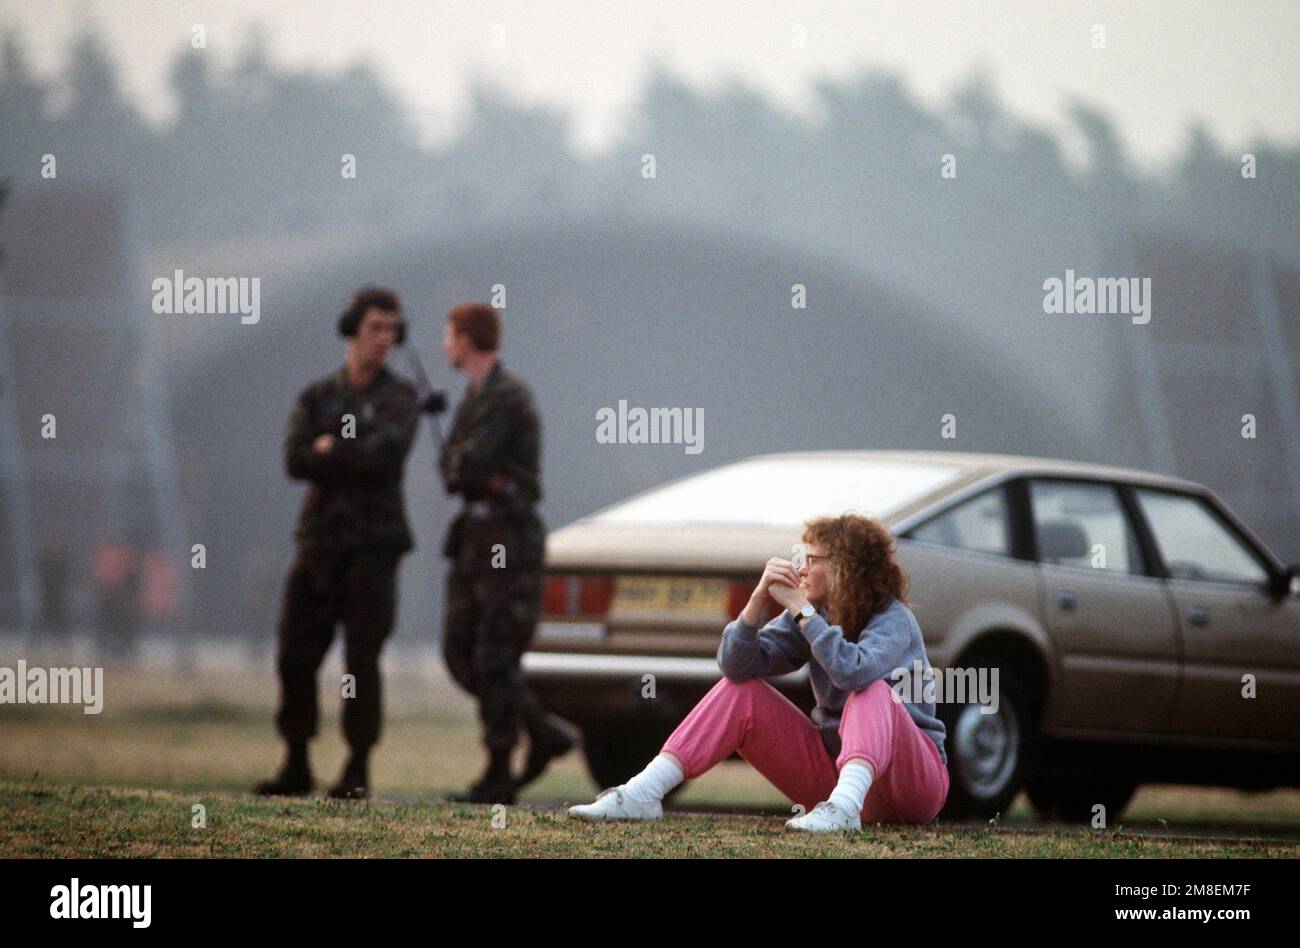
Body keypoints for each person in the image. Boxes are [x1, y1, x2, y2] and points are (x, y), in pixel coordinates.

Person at [568, 513, 950, 831]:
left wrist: (803, 612)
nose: (801, 568)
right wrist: (756, 601)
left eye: (813, 560)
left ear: (846, 570)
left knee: (871, 690)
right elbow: (735, 667)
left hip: (912, 787)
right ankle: (643, 794)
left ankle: (845, 808)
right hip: (835, 779)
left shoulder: (893, 620)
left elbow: (852, 672)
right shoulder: (813, 614)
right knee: (741, 692)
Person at [254, 287, 419, 800]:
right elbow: (293, 460)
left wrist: (331, 448)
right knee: (294, 654)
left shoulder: (400, 397)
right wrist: (343, 452)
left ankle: (356, 764)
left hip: (373, 548)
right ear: (352, 328)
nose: (384, 340)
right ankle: (296, 759)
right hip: (319, 545)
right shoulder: (317, 395)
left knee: (362, 660)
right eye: (375, 328)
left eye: (393, 330)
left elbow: (386, 458)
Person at [438, 300, 575, 804]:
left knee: (495, 655)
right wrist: (466, 468)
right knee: (459, 651)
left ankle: (498, 768)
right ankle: (541, 730)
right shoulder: (473, 398)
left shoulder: (507, 397)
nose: (445, 344)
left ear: (468, 338)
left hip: (508, 543)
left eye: (449, 335)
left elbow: (469, 464)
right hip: (474, 541)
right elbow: (452, 470)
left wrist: (470, 469)